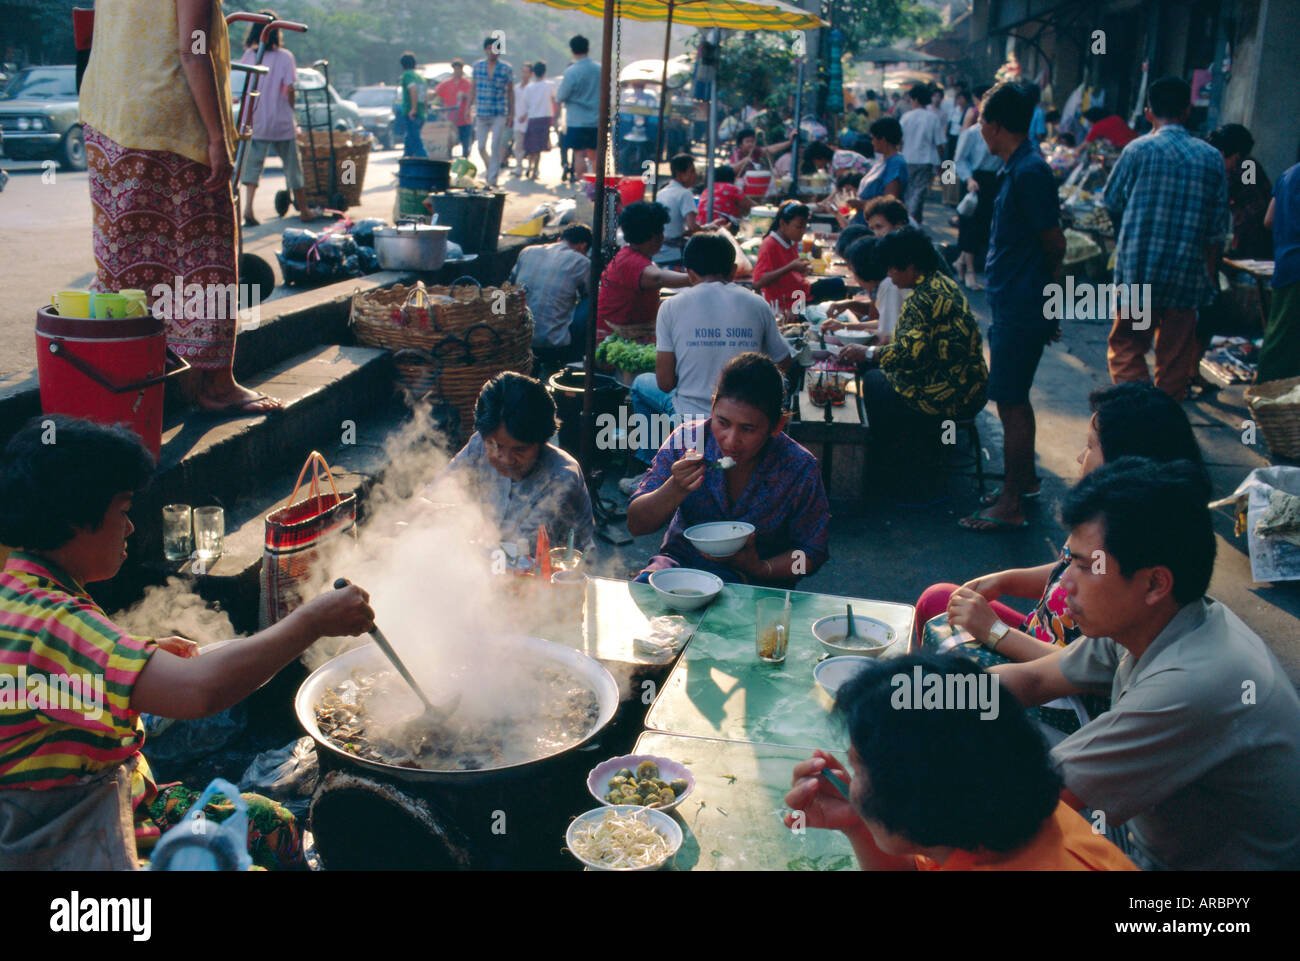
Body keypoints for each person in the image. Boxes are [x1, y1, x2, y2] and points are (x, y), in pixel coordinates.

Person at [0, 417, 375, 869]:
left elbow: (54, 681)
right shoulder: (57, 622)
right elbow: (201, 691)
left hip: (107, 804)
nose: (131, 528)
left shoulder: (20, 590)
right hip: (77, 841)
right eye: (122, 510)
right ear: (74, 520)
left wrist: (139, 656)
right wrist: (311, 620)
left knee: (268, 819)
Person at [992, 458, 1300, 870]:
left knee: (988, 839)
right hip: (1143, 835)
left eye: (1085, 566)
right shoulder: (1153, 620)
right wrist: (923, 698)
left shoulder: (1194, 685)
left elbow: (1029, 800)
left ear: (1155, 582)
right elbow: (1031, 680)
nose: (1064, 582)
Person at [915, 382, 1206, 731]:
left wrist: (993, 632)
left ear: (1126, 462)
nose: (1079, 458)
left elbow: (1085, 671)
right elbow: (1065, 567)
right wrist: (1005, 580)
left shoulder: (1130, 565)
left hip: (1067, 695)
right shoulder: (1104, 518)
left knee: (946, 684)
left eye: (1090, 446)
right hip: (1037, 643)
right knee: (939, 600)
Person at [80, 0, 282, 415]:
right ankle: (215, 384)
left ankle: (135, 376)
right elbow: (192, 48)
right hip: (170, 124)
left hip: (108, 116)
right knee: (206, 256)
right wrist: (217, 137)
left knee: (129, 258)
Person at [783, 653, 1137, 871]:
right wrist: (859, 823)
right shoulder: (1008, 809)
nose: (850, 779)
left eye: (859, 769)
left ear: (917, 801)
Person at [627, 353, 829, 587]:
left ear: (776, 426)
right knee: (645, 589)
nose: (731, 441)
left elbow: (812, 555)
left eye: (747, 429)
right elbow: (636, 524)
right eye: (722, 422)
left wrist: (763, 568)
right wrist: (674, 487)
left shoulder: (799, 468)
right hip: (681, 566)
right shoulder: (686, 441)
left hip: (757, 587)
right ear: (713, 406)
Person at [961, 80, 1066, 533]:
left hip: (1022, 304)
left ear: (997, 125)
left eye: (982, 120)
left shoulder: (1029, 172)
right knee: (1013, 398)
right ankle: (1022, 484)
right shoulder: (1018, 167)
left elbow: (1053, 242)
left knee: (1010, 401)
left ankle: (1011, 502)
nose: (979, 128)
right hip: (1015, 300)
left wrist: (1050, 302)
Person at [622, 233, 793, 483]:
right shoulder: (757, 304)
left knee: (639, 385)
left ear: (689, 274)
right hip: (744, 416)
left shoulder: (670, 307)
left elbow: (665, 383)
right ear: (734, 271)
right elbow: (784, 362)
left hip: (689, 417)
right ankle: (656, 470)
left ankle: (652, 471)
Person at [1103, 76, 1230, 401]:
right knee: (1175, 358)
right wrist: (1210, 274)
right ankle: (1164, 421)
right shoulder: (1212, 157)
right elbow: (1217, 226)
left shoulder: (1137, 150)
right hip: (1186, 275)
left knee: (1128, 346)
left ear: (1148, 112)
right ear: (1187, 111)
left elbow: (1112, 200)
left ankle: (1141, 405)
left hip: (1140, 273)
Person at [840, 228, 988, 482]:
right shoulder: (941, 282)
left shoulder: (924, 298)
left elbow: (908, 355)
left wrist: (866, 353)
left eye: (892, 269)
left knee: (873, 382)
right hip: (970, 382)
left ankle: (892, 464)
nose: (889, 275)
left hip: (951, 391)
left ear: (910, 267)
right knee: (878, 376)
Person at [436, 372, 595, 553]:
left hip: (552, 573)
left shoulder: (562, 478)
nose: (506, 458)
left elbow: (520, 553)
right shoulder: (479, 444)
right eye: (496, 446)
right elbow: (437, 492)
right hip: (490, 557)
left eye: (520, 449)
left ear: (542, 441)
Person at [237, 13, 312, 225]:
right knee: (292, 167)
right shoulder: (285, 57)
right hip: (281, 120)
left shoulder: (249, 56)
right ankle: (304, 210)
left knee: (252, 167)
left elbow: (245, 86)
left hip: (256, 118)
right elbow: (289, 89)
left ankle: (248, 209)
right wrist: (292, 109)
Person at [595, 202, 690, 342]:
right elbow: (658, 278)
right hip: (615, 342)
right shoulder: (630, 261)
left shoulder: (629, 255)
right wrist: (698, 277)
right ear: (656, 237)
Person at [510, 224, 591, 364]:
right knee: (593, 300)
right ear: (583, 246)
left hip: (519, 337)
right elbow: (590, 294)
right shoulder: (583, 261)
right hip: (554, 343)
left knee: (507, 294)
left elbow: (507, 287)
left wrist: (498, 317)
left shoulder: (527, 251)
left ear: (560, 239)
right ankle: (576, 359)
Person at [751, 201, 846, 314]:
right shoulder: (769, 245)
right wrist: (790, 267)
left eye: (805, 227)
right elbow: (758, 282)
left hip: (802, 293)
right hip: (788, 302)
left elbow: (794, 274)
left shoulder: (791, 240)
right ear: (782, 224)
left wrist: (803, 270)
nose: (803, 232)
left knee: (837, 284)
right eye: (799, 227)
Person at [1259, 153, 1300, 381]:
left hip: (1286, 266)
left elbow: (1269, 220)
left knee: (1280, 335)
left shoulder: (1288, 174)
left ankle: (1266, 394)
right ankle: (1267, 397)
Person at [951, 105, 1001, 290]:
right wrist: (969, 179)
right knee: (970, 226)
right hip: (974, 182)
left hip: (993, 182)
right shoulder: (972, 133)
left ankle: (960, 262)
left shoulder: (1002, 134)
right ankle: (969, 272)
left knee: (983, 227)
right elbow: (959, 159)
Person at [1207, 123, 1272, 261]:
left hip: (1254, 246)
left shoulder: (1247, 165)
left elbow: (1254, 207)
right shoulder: (1242, 166)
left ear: (1234, 154)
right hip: (1247, 240)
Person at [469, 36, 514, 188]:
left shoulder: (506, 68)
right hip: (481, 111)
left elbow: (510, 92)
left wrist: (511, 113)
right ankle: (491, 168)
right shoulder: (477, 67)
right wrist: (468, 107)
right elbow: (472, 88)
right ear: (485, 49)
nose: (491, 52)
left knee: (495, 144)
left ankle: (492, 179)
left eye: (494, 48)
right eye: (488, 48)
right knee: (481, 146)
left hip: (499, 112)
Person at [846, 117, 907, 224]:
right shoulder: (881, 161)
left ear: (882, 139)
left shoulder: (896, 163)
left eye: (873, 138)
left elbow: (890, 202)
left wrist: (861, 204)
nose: (872, 142)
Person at [556, 35, 600, 182]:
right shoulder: (599, 69)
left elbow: (561, 95)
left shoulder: (570, 72)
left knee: (579, 155)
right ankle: (596, 186)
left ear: (572, 50)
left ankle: (583, 186)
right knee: (594, 156)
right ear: (588, 49)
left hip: (576, 121)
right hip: (596, 120)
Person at [899, 84, 945, 223]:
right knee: (918, 194)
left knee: (908, 193)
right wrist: (941, 164)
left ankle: (910, 221)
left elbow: (899, 141)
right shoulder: (932, 118)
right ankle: (912, 221)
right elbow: (940, 144)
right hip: (925, 161)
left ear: (916, 99)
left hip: (907, 159)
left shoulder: (905, 117)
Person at [519, 61, 556, 181]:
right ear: (544, 72)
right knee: (539, 147)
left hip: (533, 118)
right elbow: (555, 98)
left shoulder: (529, 87)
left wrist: (524, 115)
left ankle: (530, 167)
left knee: (531, 146)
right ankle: (535, 169)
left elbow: (525, 104)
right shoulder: (549, 85)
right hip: (545, 118)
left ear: (534, 73)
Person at [435, 59, 474, 158]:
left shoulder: (467, 84)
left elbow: (473, 96)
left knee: (465, 143)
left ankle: (465, 160)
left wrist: (464, 95)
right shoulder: (446, 84)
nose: (457, 71)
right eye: (455, 69)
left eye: (459, 69)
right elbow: (436, 94)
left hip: (464, 118)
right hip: (451, 119)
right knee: (449, 142)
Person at [398, 52, 428, 158]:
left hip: (412, 113)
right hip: (421, 113)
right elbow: (424, 94)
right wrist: (424, 109)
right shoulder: (420, 77)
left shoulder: (407, 75)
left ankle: (426, 165)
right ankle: (405, 167)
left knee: (416, 142)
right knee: (409, 141)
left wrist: (413, 109)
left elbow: (413, 90)